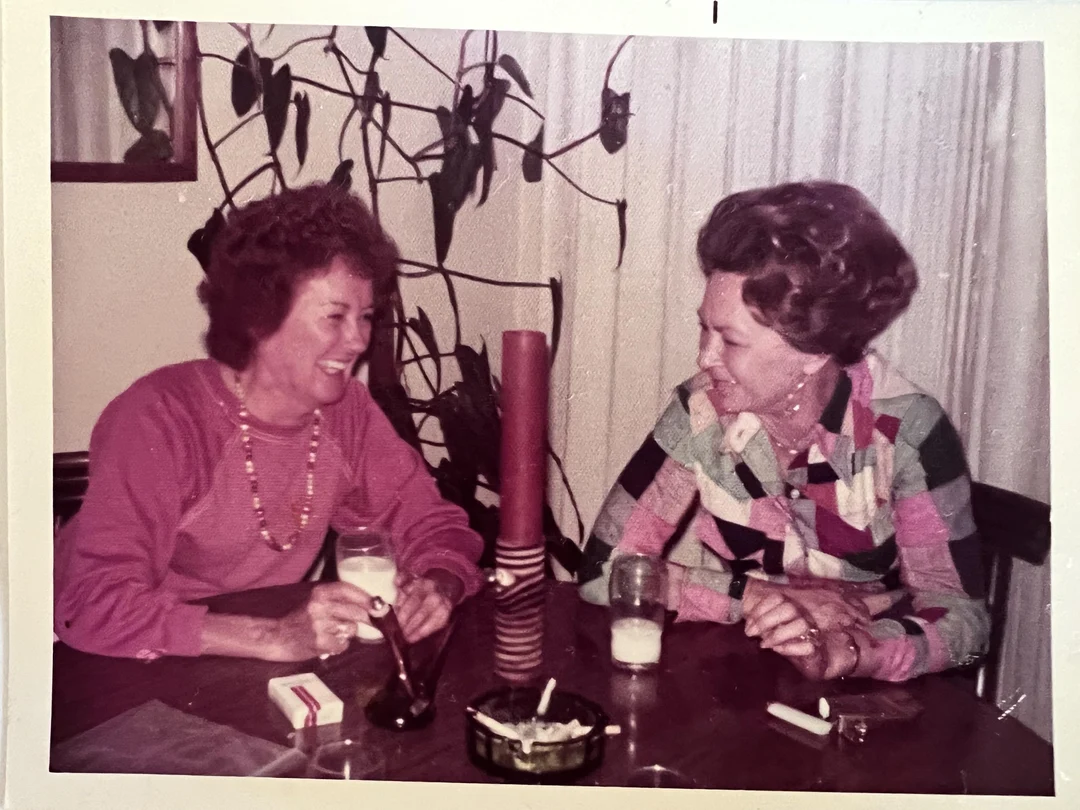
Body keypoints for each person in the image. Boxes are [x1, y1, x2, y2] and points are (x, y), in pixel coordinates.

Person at [579, 180, 989, 682]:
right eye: (704, 328)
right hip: (742, 669)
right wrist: (754, 597)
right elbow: (606, 569)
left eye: (730, 340)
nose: (704, 358)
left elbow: (961, 617)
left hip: (872, 688)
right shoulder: (700, 413)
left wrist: (849, 652)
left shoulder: (904, 430)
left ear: (814, 353)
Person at [54, 183, 484, 661]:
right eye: (335, 317)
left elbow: (432, 525)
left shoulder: (346, 413)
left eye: (365, 316)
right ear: (260, 319)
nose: (359, 340)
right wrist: (272, 637)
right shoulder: (160, 418)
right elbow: (90, 604)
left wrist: (438, 584)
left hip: (247, 665)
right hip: (119, 661)